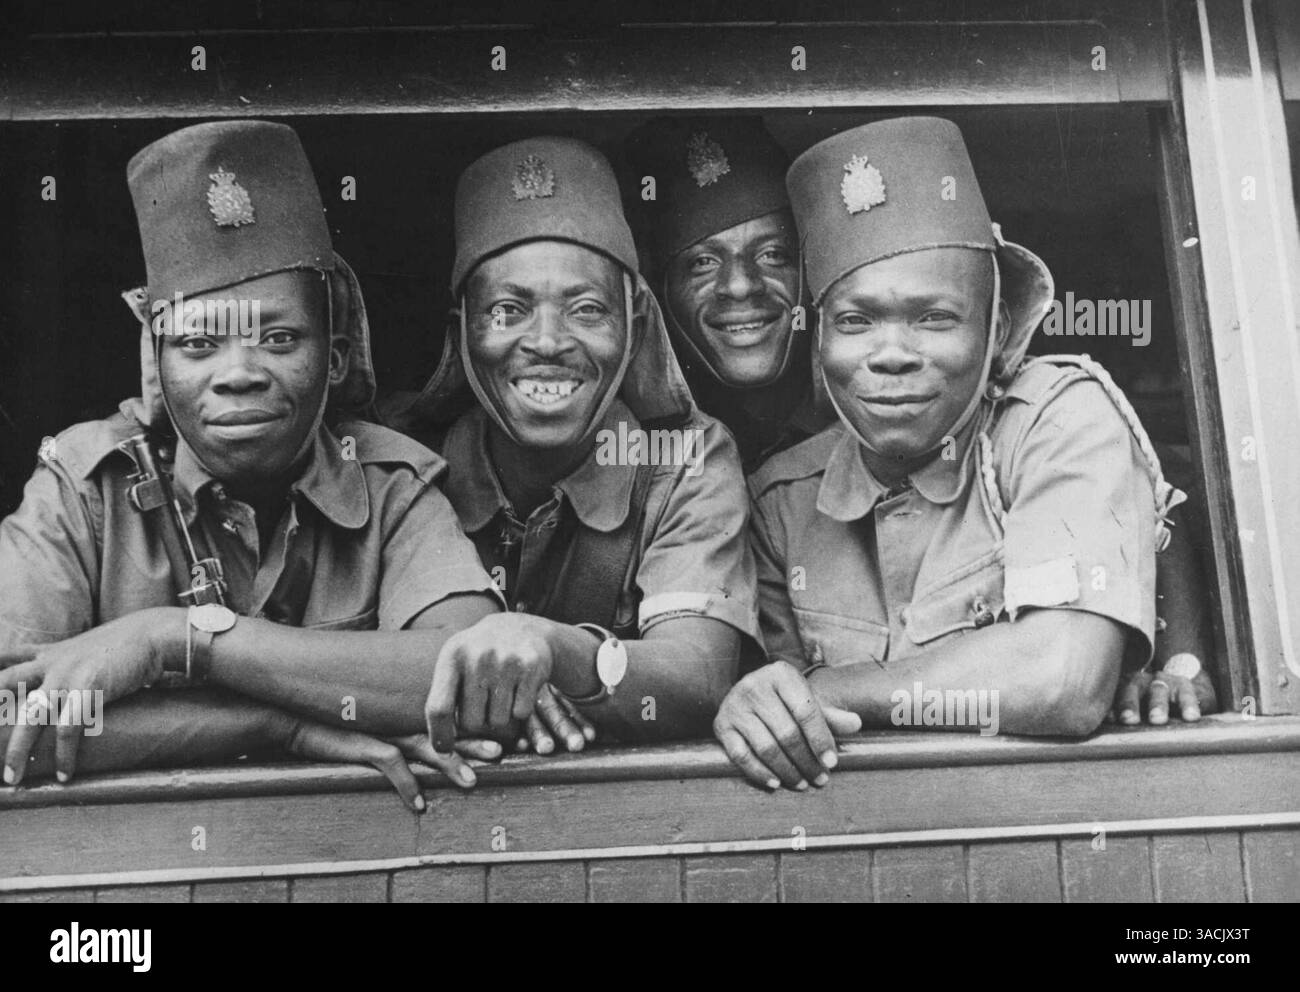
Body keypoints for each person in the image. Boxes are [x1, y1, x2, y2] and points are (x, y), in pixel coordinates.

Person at [0, 121, 507, 807]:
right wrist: (281, 722)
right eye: (198, 343)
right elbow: (7, 721)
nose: (238, 374)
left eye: (277, 337)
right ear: (157, 361)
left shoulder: (391, 486)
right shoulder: (83, 488)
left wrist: (176, 641)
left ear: (332, 358)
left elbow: (468, 673)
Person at [713, 117, 1188, 791]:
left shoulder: (1055, 419)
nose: (892, 355)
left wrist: (836, 689)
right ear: (818, 342)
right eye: (855, 321)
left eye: (935, 318)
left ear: (995, 330)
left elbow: (1063, 680)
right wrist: (762, 702)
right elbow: (782, 724)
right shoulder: (780, 500)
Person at [387, 137, 761, 750]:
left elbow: (698, 677)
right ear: (460, 334)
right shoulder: (401, 460)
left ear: (633, 326)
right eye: (507, 310)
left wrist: (544, 646)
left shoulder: (684, 460)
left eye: (587, 310)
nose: (548, 341)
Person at [625, 117, 830, 472]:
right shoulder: (635, 450)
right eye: (702, 262)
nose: (740, 285)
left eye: (772, 255)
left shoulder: (861, 428)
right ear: (662, 290)